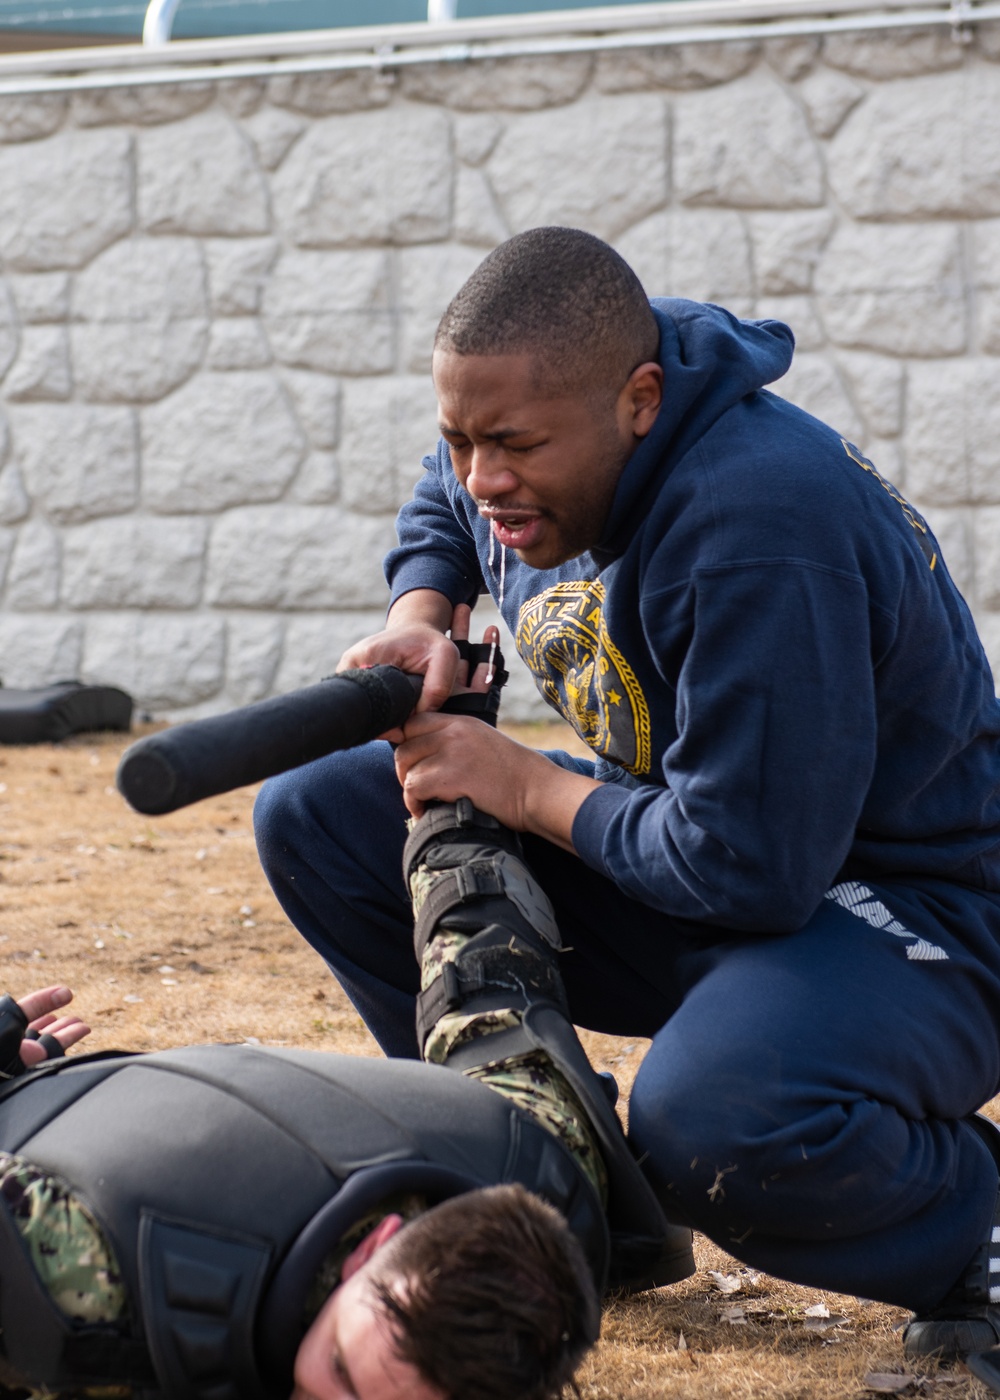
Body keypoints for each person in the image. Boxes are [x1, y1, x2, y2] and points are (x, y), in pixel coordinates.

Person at [254, 224, 1000, 1375]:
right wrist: (423, 611)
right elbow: (446, 500)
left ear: (639, 402)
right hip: (717, 840)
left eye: (511, 445)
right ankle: (551, 1183)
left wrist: (521, 783)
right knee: (318, 814)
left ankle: (970, 1232)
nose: (482, 476)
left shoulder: (761, 527)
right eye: (461, 435)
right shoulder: (551, 423)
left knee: (715, 1120)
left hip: (912, 907)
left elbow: (746, 868)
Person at [0, 792, 694, 1400]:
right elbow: (485, 970)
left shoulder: (528, 1183)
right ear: (371, 1251)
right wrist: (452, 790)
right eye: (340, 1369)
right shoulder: (76, 1270)